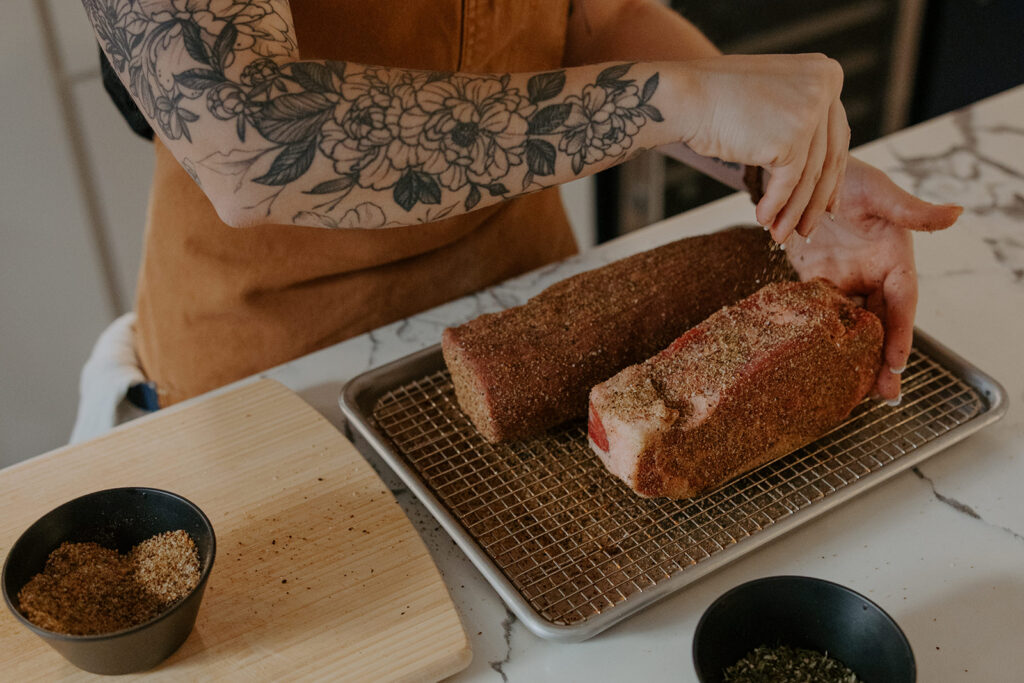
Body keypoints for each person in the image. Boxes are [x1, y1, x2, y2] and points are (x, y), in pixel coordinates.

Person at [77, 0, 959, 421]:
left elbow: (597, 21)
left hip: (530, 314)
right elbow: (249, 134)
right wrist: (671, 97)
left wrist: (790, 170)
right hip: (277, 362)